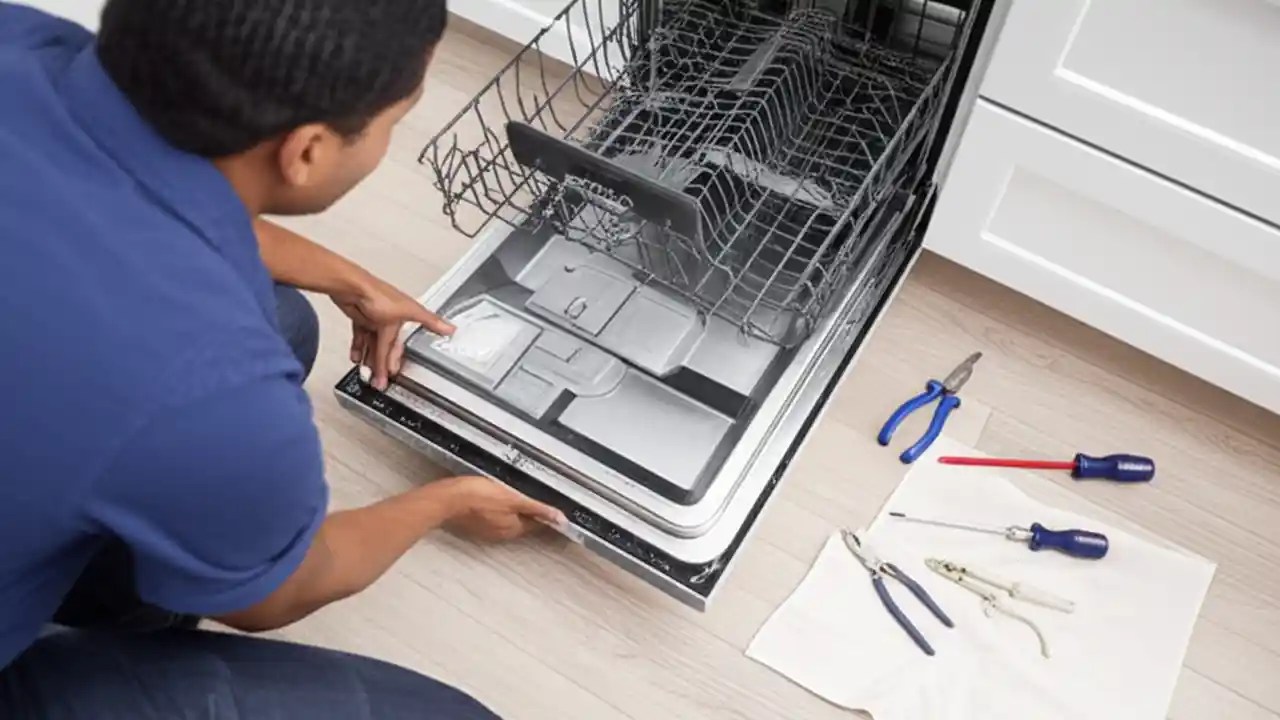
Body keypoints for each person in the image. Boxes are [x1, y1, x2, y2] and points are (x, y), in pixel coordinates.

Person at [0, 1, 566, 717]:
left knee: (286, 319)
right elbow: (281, 593)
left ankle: (129, 576)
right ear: (307, 151)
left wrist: (350, 280)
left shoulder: (20, 39)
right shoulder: (212, 385)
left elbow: (130, 197)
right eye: (396, 119)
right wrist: (444, 500)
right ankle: (148, 589)